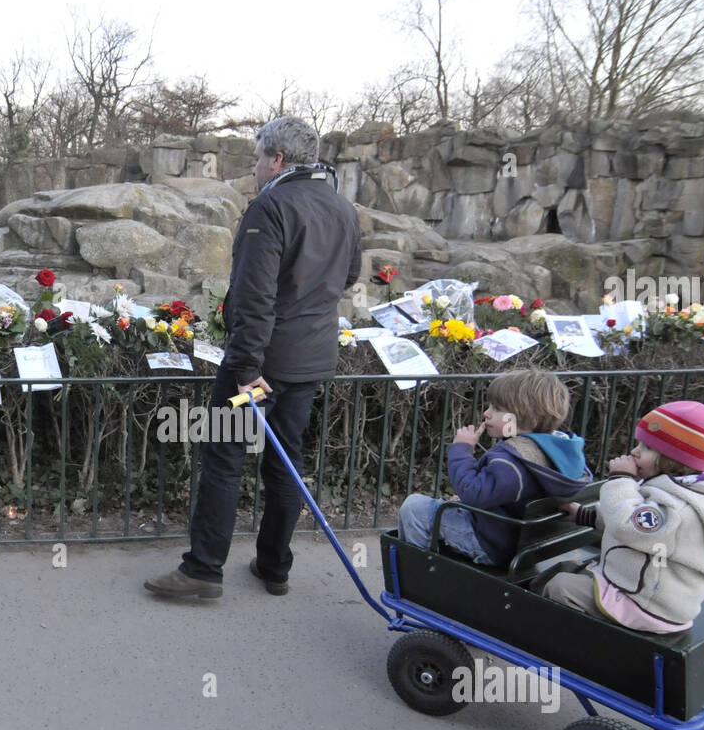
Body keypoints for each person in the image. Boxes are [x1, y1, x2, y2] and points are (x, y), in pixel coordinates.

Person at [144, 116, 362, 599]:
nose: (257, 166)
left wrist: (245, 369)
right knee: (286, 461)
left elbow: (252, 298)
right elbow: (349, 276)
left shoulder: (271, 206)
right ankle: (274, 567)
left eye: (259, 157)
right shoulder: (341, 207)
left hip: (261, 367)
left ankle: (202, 571)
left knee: (224, 455)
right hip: (310, 361)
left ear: (277, 159)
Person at [537, 400, 704, 634]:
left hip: (646, 604)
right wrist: (587, 516)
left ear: (673, 459)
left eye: (646, 447)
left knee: (561, 586)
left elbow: (630, 526)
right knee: (565, 569)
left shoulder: (679, 508)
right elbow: (645, 527)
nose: (635, 451)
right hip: (646, 591)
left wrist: (620, 479)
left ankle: (571, 642)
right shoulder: (692, 493)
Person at [398, 369, 593, 567]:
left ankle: (418, 573)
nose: (486, 413)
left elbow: (473, 492)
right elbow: (500, 495)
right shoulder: (558, 450)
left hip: (493, 545)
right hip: (526, 543)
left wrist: (461, 449)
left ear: (530, 420)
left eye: (497, 409)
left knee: (415, 508)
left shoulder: (513, 463)